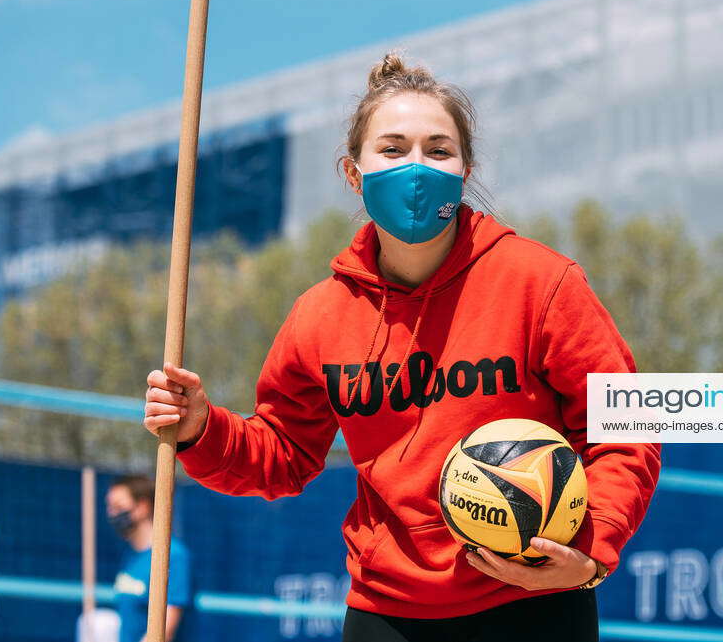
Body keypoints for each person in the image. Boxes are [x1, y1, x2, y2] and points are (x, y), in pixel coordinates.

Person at [142, 52, 661, 642]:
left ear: (466, 170)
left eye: (438, 150)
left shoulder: (541, 283)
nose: (417, 167)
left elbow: (627, 429)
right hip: (387, 612)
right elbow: (282, 454)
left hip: (534, 597)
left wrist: (589, 551)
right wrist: (200, 429)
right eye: (392, 149)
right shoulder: (319, 316)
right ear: (353, 172)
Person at [106, 474, 193, 642]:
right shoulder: (131, 555)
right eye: (109, 506)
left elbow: (166, 630)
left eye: (118, 506)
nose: (111, 513)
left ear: (142, 507)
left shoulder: (173, 556)